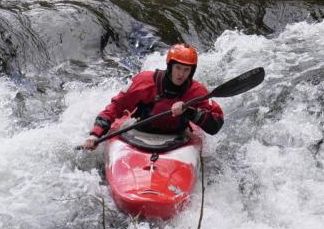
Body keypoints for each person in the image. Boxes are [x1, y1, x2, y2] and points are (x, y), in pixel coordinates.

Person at [81, 43, 224, 151]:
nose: (181, 74)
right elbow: (116, 107)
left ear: (192, 72)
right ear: (170, 67)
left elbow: (216, 123)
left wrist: (189, 111)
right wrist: (95, 135)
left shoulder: (197, 91)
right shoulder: (144, 82)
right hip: (138, 133)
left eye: (186, 70)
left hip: (177, 139)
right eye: (178, 68)